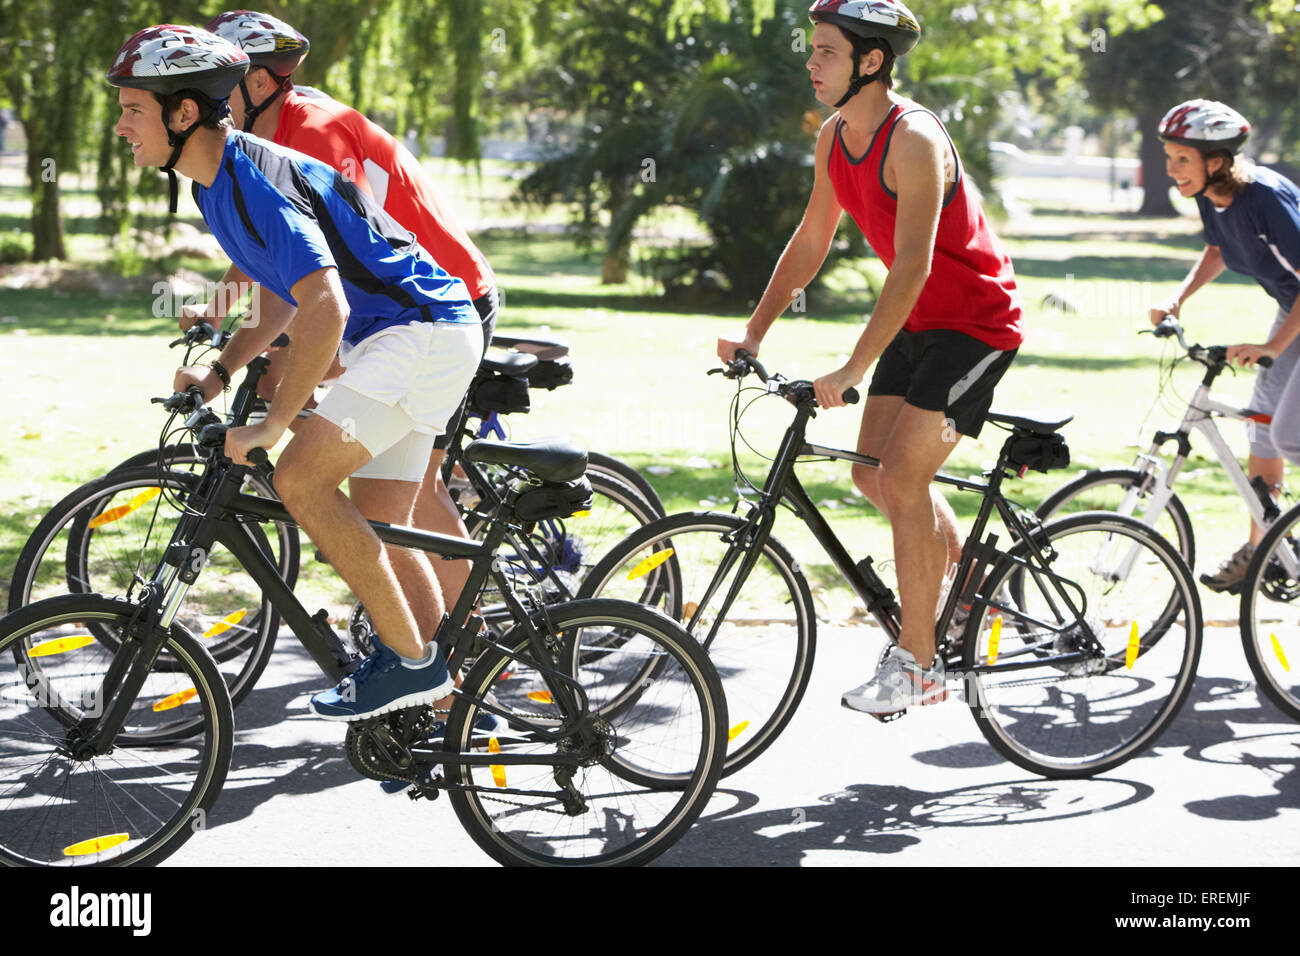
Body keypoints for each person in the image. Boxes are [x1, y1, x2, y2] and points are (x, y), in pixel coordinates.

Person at [108, 25, 483, 720]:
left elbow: (325, 305)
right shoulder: (214, 183)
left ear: (183, 112)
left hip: (418, 333)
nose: (121, 124)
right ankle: (448, 711)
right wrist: (222, 371)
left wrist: (276, 422)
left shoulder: (251, 179)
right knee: (380, 520)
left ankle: (413, 668)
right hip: (419, 334)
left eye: (133, 108)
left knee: (299, 477)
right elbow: (277, 291)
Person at [717, 0, 1024, 717]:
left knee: (903, 477)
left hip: (975, 325)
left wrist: (853, 367)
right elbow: (812, 237)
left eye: (826, 51)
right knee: (868, 475)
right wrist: (755, 332)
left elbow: (912, 266)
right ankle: (968, 575)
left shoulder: (912, 138)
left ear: (871, 61)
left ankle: (919, 662)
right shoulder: (834, 138)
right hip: (918, 324)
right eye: (814, 50)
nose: (811, 62)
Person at [193, 11, 499, 626]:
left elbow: (315, 275)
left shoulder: (313, 133)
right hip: (386, 315)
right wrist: (217, 328)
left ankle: (470, 639)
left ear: (255, 85)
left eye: (214, 84)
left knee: (403, 491)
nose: (202, 101)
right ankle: (425, 665)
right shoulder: (251, 149)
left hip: (438, 303)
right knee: (371, 501)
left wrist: (262, 377)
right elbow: (268, 258)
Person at [1149, 99, 1300, 594]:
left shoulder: (1265, 200)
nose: (1172, 171)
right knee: (1261, 432)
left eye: (1182, 160)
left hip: (1293, 314)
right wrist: (1179, 298)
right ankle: (1266, 551)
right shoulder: (1214, 198)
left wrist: (1272, 346)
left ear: (1217, 160)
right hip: (1291, 309)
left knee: (1288, 435)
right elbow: (1218, 247)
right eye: (1169, 158)